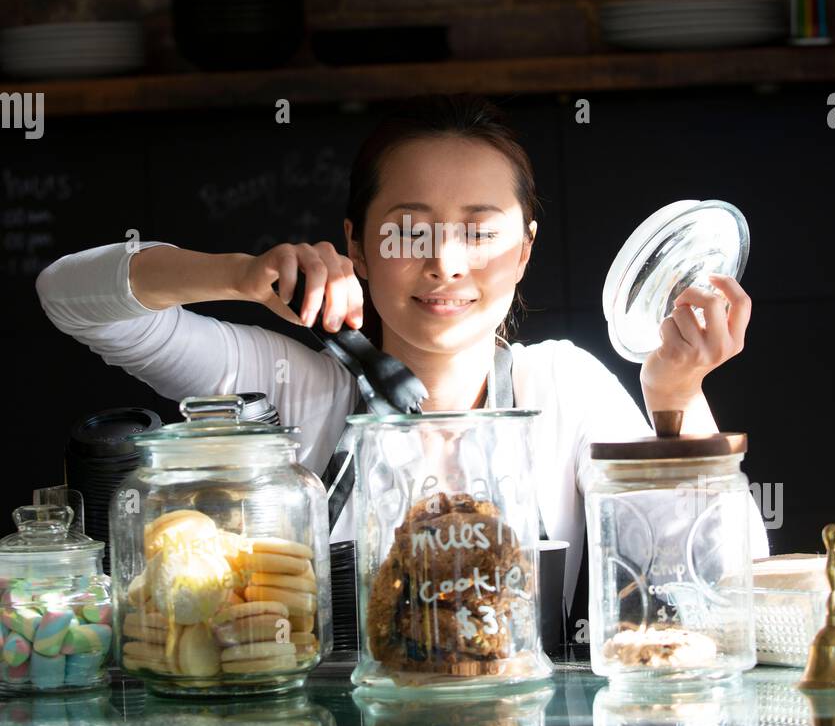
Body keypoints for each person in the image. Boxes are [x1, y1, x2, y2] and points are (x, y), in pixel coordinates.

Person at [35, 95, 768, 615]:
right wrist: (234, 275)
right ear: (355, 243)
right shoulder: (286, 389)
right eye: (408, 230)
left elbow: (722, 571)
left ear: (523, 252)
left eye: (480, 232)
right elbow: (70, 297)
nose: (445, 261)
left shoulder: (564, 387)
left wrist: (676, 392)